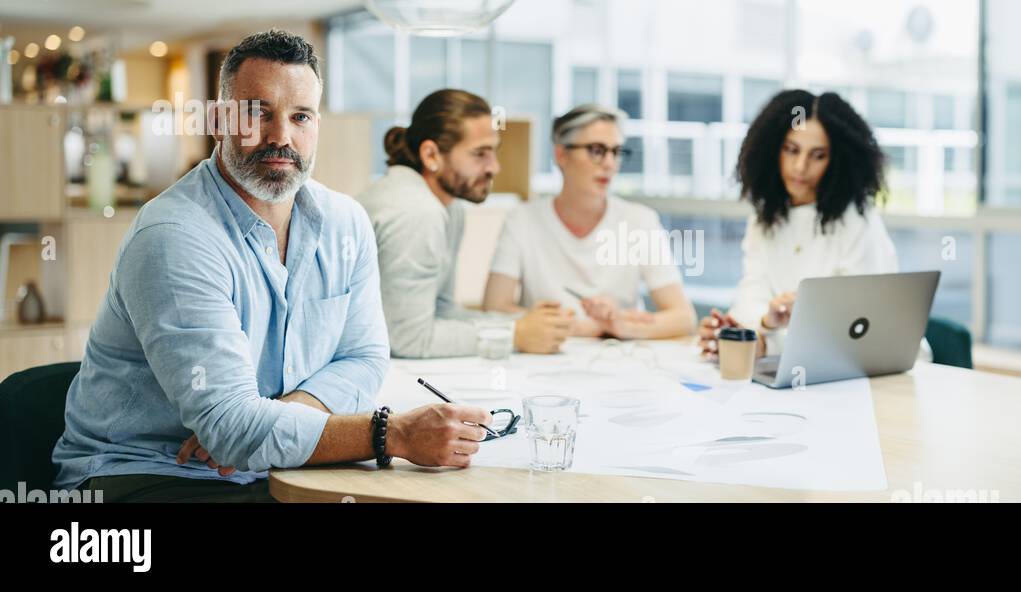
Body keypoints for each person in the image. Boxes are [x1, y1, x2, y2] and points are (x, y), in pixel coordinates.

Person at [51, 30, 491, 502]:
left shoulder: (346, 223)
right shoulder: (174, 237)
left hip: (273, 469)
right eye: (257, 113)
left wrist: (278, 415)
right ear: (219, 121)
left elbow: (363, 358)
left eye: (300, 116)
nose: (281, 137)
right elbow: (230, 432)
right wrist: (393, 435)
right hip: (148, 477)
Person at [355, 88, 573, 358]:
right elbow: (410, 340)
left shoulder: (449, 207)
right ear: (431, 155)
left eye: (494, 152)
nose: (495, 167)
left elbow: (442, 310)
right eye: (480, 154)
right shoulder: (417, 211)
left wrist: (523, 324)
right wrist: (515, 334)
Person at [698, 90, 898, 359]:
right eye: (791, 150)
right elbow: (752, 295)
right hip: (794, 367)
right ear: (771, 150)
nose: (800, 166)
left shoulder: (857, 222)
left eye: (818, 155)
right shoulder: (763, 221)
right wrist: (741, 334)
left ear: (837, 160)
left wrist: (768, 342)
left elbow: (858, 327)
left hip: (868, 371)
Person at [483, 104, 696, 339]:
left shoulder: (639, 220)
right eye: (596, 150)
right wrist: (586, 327)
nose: (609, 164)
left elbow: (683, 317)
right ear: (561, 155)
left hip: (620, 361)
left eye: (616, 152)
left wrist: (621, 325)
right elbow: (494, 308)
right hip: (544, 359)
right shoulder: (521, 220)